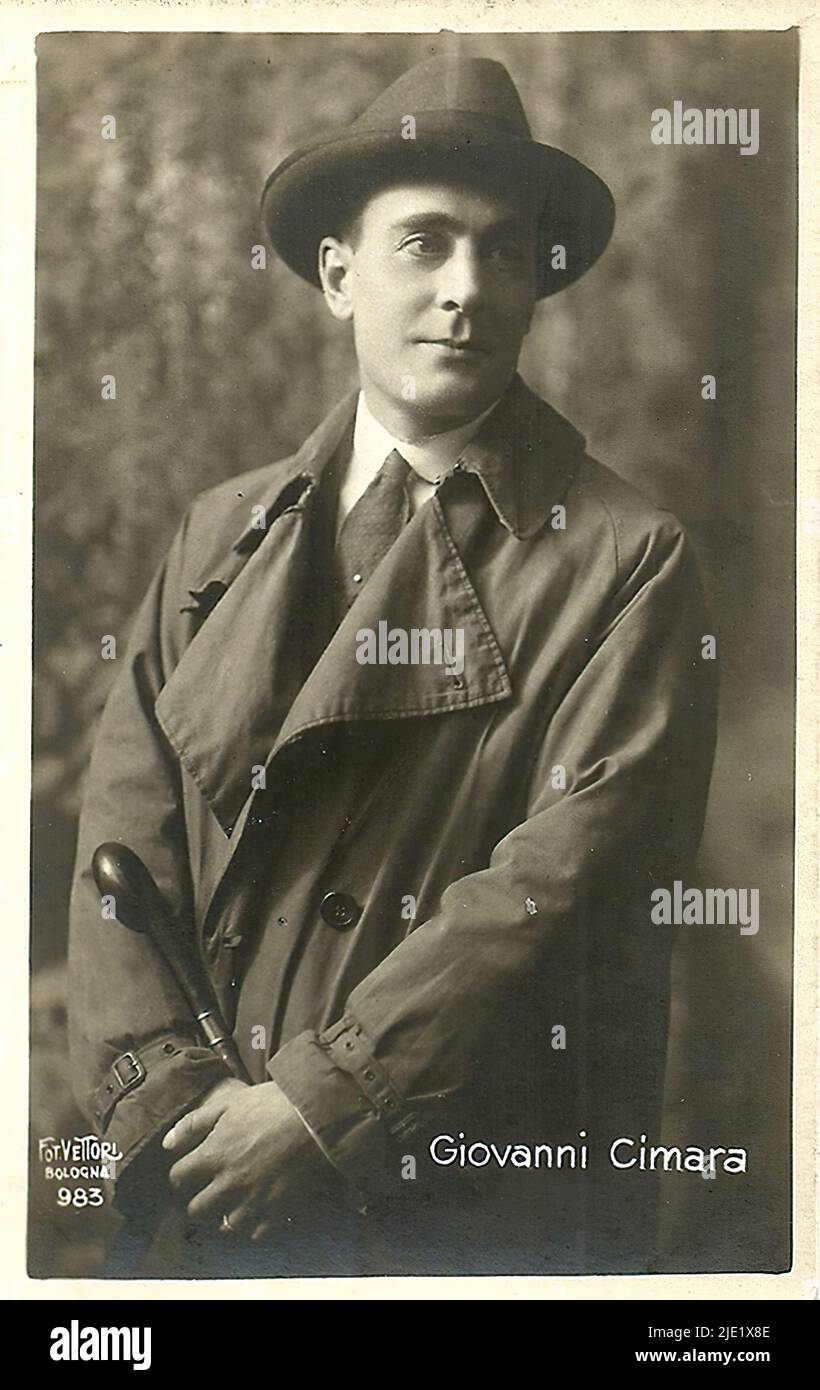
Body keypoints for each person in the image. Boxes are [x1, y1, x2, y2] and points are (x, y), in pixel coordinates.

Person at [68, 54, 718, 1277]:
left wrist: (321, 1108)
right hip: (207, 1182)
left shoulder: (628, 560)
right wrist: (168, 1102)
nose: (465, 290)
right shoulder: (222, 533)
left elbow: (556, 890)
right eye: (424, 244)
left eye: (504, 252)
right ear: (336, 276)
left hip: (454, 1193)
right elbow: (124, 837)